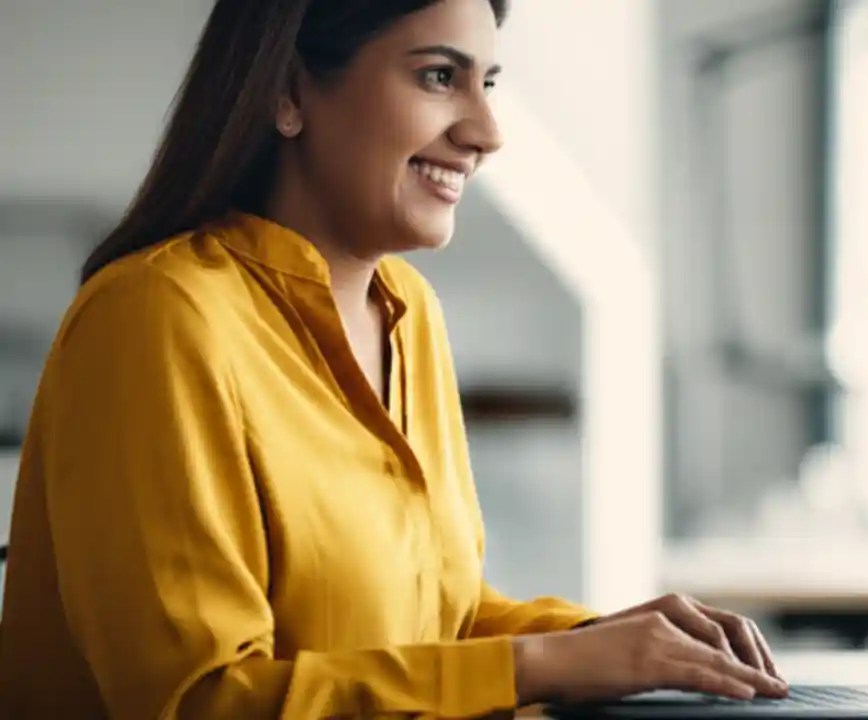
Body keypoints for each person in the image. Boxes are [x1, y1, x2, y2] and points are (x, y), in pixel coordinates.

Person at [0, 1, 787, 717]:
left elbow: (434, 623)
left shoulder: (409, 312)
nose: (487, 131)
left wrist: (611, 643)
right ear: (287, 91)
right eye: (440, 77)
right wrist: (542, 664)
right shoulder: (158, 316)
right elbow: (200, 701)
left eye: (488, 84)